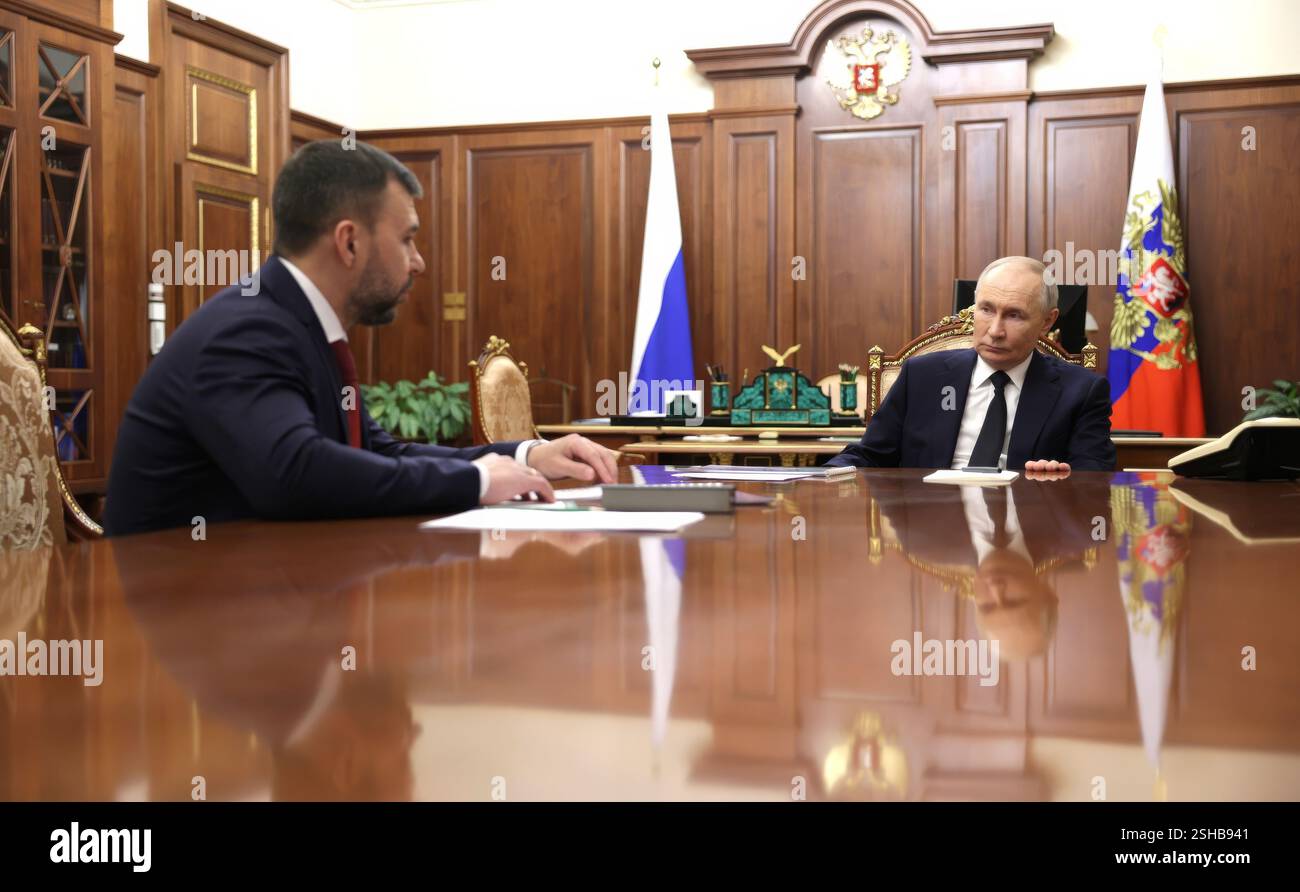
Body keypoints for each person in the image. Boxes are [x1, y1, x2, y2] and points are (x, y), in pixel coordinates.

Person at [105, 140, 617, 536]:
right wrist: (478, 481)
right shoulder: (248, 330)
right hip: (182, 613)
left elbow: (377, 452)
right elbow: (297, 473)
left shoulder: (295, 320)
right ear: (349, 242)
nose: (419, 262)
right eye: (408, 239)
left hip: (263, 598)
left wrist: (526, 456)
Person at [827, 256, 1115, 473]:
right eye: (986, 310)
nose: (995, 330)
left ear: (1048, 321)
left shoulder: (1082, 391)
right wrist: (820, 477)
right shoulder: (922, 376)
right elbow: (871, 455)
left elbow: (1094, 477)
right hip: (929, 534)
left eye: (1014, 315)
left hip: (1027, 533)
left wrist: (1063, 481)